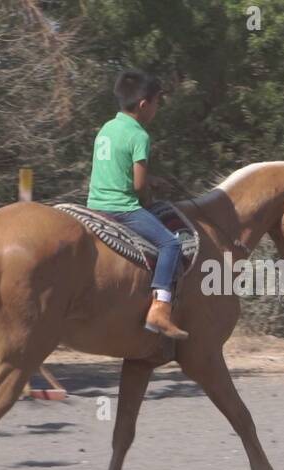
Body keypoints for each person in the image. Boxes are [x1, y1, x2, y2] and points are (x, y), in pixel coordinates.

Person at [87, 70, 188, 339]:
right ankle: (160, 306)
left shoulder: (107, 128)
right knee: (171, 244)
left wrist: (152, 179)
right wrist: (149, 199)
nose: (157, 109)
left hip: (94, 205)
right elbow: (138, 187)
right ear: (144, 105)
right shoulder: (139, 135)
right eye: (157, 103)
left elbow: (121, 170)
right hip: (121, 208)